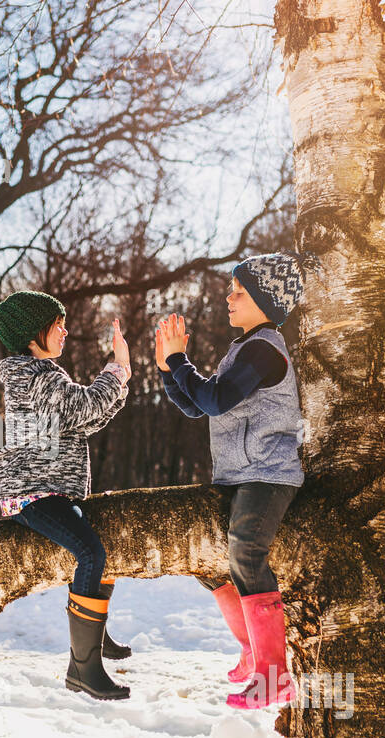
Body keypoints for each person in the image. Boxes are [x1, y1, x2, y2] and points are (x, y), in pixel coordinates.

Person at [156, 253, 306, 709]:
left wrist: (180, 359)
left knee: (245, 551)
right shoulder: (244, 349)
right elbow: (196, 405)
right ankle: (252, 650)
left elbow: (216, 398)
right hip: (237, 475)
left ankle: (275, 674)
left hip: (268, 473)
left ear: (265, 300)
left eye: (239, 291)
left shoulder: (265, 348)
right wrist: (168, 370)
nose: (229, 297)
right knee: (214, 564)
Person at [0, 291, 133, 700]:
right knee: (90, 552)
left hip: (48, 489)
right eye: (57, 324)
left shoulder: (39, 374)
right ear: (32, 334)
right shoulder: (37, 377)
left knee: (104, 541)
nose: (65, 330)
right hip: (30, 493)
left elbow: (82, 421)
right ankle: (83, 667)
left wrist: (121, 380)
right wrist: (116, 371)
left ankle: (94, 637)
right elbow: (83, 406)